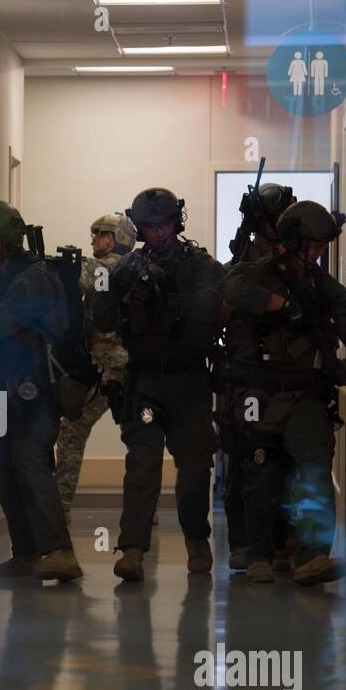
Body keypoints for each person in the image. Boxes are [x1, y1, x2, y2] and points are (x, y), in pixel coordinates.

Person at [220, 200, 346, 586]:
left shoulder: (319, 284)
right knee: (261, 473)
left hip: (303, 394)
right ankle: (260, 554)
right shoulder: (259, 273)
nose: (316, 254)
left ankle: (312, 556)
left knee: (313, 466)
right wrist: (278, 305)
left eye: (321, 248)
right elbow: (230, 285)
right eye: (312, 245)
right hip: (257, 393)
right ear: (294, 240)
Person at [0, 201, 83, 582]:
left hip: (36, 388)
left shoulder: (34, 277)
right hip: (6, 386)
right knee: (6, 473)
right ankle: (26, 552)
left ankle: (59, 552)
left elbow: (3, 319)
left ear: (7, 239)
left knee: (30, 464)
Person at [94, 188, 224, 581]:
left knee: (195, 467)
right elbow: (102, 318)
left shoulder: (200, 264)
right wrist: (121, 286)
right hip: (145, 380)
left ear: (176, 223)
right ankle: (132, 549)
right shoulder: (128, 268)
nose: (159, 233)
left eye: (164, 225)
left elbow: (207, 308)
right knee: (142, 464)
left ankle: (197, 540)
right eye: (150, 227)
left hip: (188, 380)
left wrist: (165, 294)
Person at [220, 184, 298, 574]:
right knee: (245, 461)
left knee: (283, 463)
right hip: (245, 372)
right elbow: (223, 311)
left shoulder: (293, 259)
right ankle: (245, 544)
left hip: (284, 375)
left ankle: (280, 542)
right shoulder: (241, 262)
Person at [55, 212, 136, 522]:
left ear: (113, 239)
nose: (93, 239)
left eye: (99, 234)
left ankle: (60, 509)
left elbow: (83, 280)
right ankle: (144, 510)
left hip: (108, 367)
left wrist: (59, 269)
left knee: (73, 432)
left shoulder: (107, 268)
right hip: (124, 367)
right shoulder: (134, 267)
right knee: (138, 438)